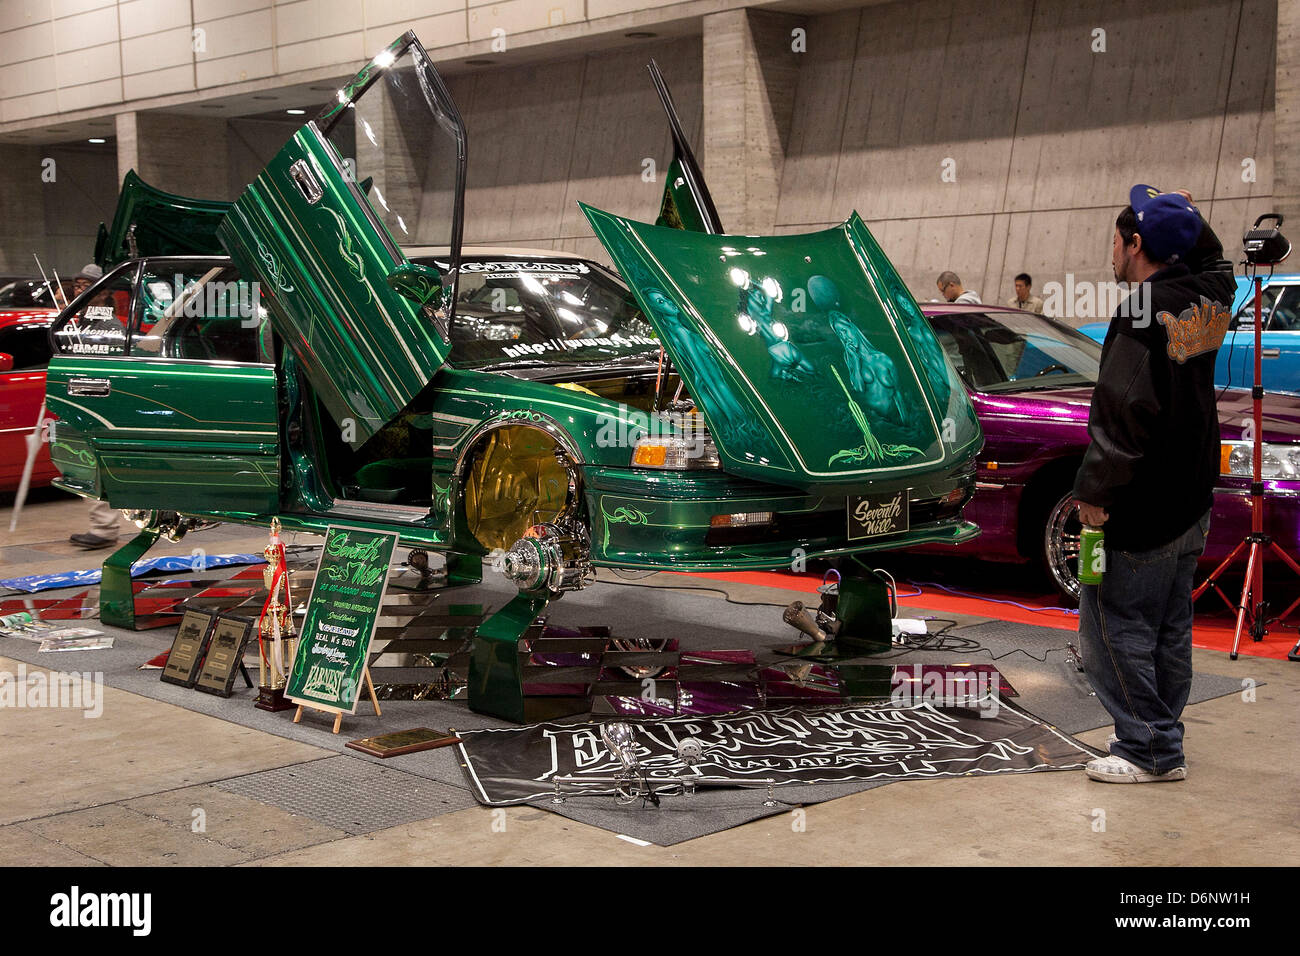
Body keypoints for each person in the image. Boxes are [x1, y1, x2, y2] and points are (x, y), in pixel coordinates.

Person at [1072, 185, 1235, 783]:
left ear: (1136, 244)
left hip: (1142, 502)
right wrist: (1187, 215)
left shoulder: (1140, 312)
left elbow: (1123, 413)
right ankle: (1165, 736)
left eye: (1117, 240)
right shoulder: (1211, 294)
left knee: (1116, 627)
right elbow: (1218, 261)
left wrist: (1093, 493)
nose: (1111, 252)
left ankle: (1147, 748)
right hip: (1191, 498)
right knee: (1169, 626)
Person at [66, 263, 126, 551]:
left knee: (98, 466)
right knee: (89, 465)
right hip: (84, 402)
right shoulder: (83, 323)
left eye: (85, 285)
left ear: (103, 294)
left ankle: (104, 528)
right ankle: (102, 526)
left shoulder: (110, 326)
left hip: (102, 404)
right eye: (76, 285)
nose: (79, 290)